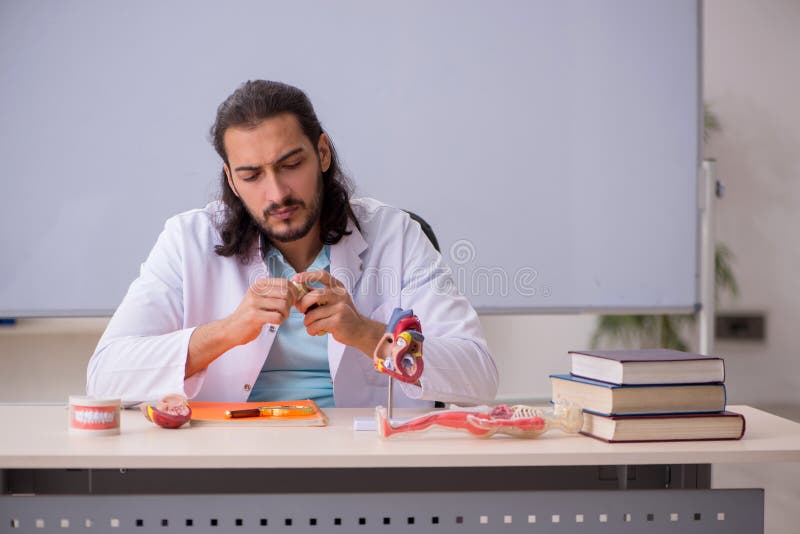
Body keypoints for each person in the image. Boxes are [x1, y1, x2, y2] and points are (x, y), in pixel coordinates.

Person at [86, 80, 498, 408]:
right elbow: (105, 377)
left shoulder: (395, 234)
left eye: (291, 165)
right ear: (231, 180)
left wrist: (367, 334)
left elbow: (479, 377)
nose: (277, 193)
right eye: (252, 176)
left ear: (322, 153)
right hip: (228, 462)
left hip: (362, 461)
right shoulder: (187, 240)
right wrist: (228, 331)